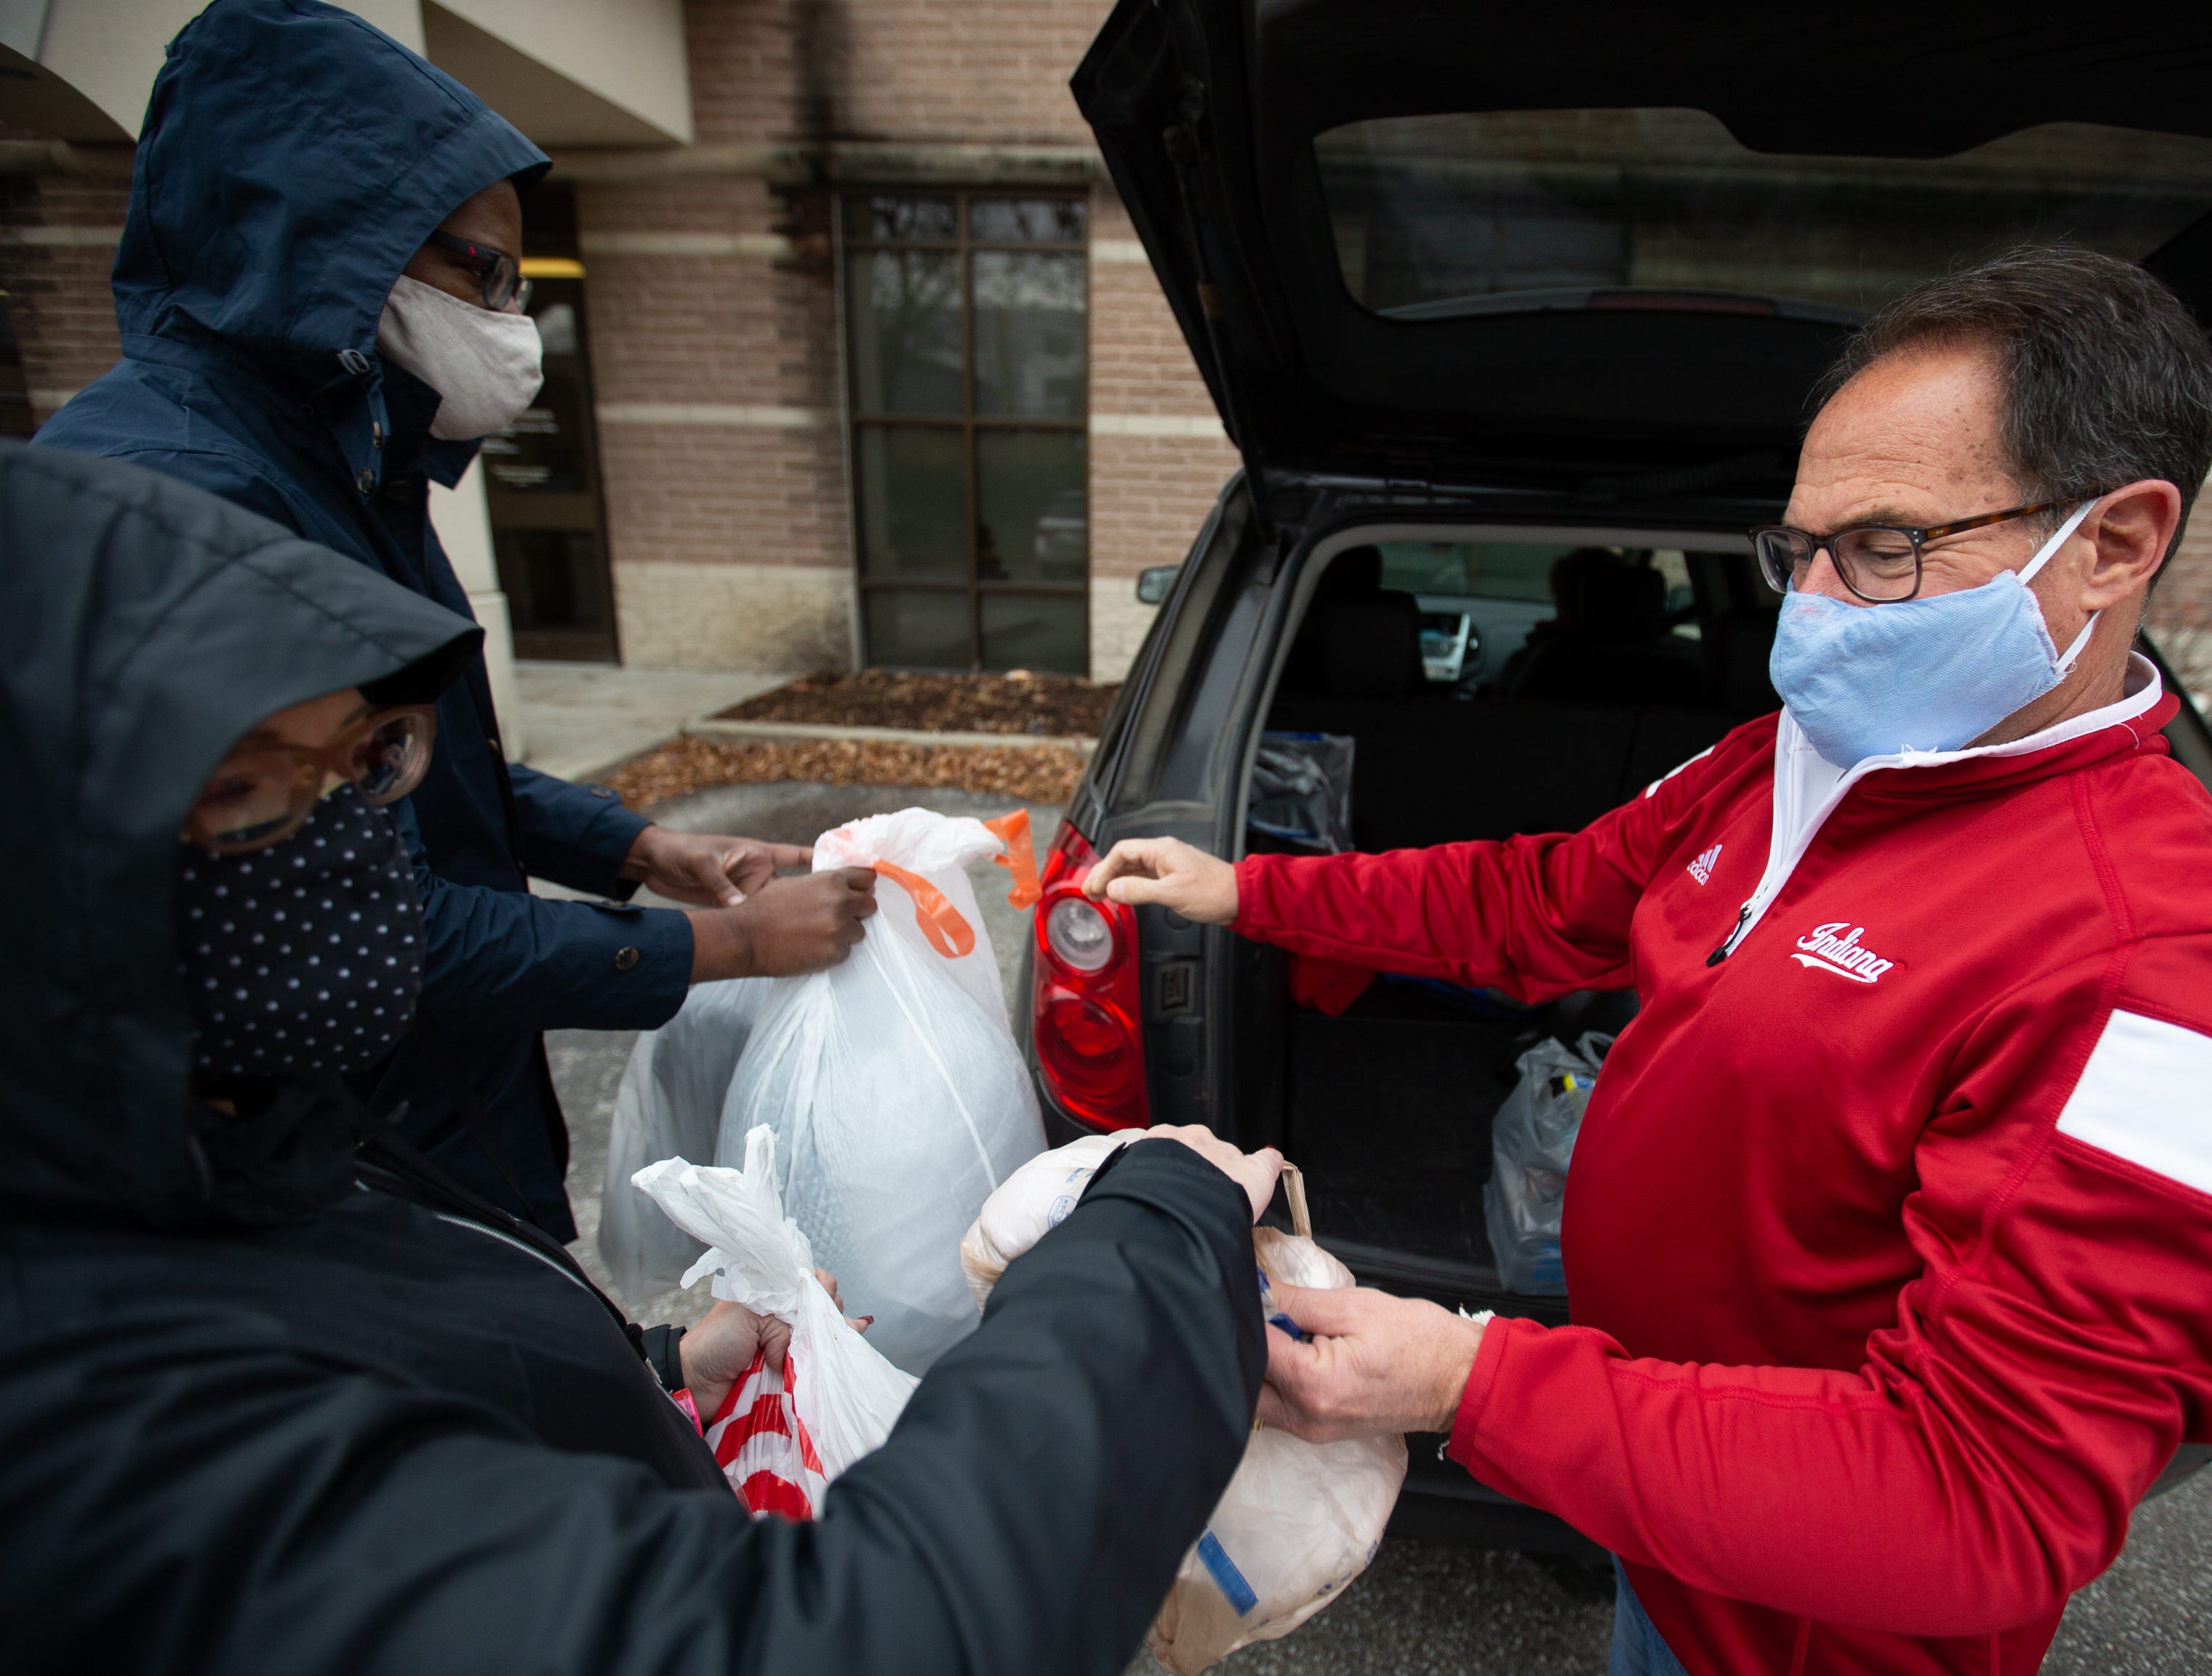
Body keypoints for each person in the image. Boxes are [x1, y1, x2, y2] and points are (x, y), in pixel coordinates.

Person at [1084, 248, 2212, 1676]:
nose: (1814, 608)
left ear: (2115, 543)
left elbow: (1983, 1500)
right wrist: (1250, 888)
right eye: (1799, 549)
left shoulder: (2166, 972)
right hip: (1665, 1529)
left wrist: (1471, 1379)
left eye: (1882, 546)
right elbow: (1542, 900)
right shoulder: (1796, 762)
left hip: (1809, 1638)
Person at [0, 438, 1280, 1675]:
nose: (356, 848)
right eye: (248, 794)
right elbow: (865, 1640)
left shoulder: (218, 1145)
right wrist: (1158, 1220)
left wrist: (659, 1368)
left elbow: (429, 1378)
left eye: (364, 765)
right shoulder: (100, 1427)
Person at [33, 0, 866, 1241]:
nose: (514, 320)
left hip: (435, 1125)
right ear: (336, 251)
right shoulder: (188, 506)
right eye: (483, 272)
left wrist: (641, 850)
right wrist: (726, 944)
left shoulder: (347, 466)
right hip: (321, 1183)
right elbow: (361, 928)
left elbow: (428, 772)